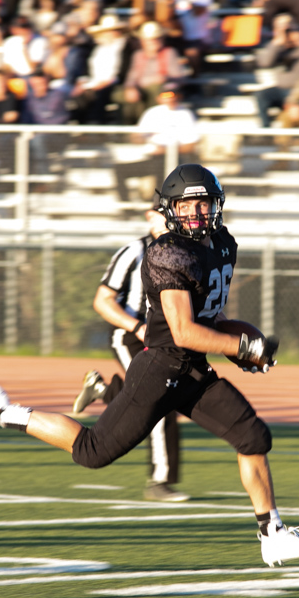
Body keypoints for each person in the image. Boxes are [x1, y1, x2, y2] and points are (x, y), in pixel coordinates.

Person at [0, 165, 299, 567]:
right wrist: (242, 345)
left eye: (203, 202)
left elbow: (210, 319)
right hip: (161, 367)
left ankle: (273, 534)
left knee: (252, 437)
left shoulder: (222, 243)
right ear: (170, 209)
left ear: (217, 204)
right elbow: (182, 332)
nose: (196, 212)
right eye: (187, 204)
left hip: (192, 369)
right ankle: (0, 410)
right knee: (92, 452)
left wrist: (247, 345)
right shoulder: (168, 253)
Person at [71, 206, 187, 502]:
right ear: (150, 215)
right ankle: (160, 482)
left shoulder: (186, 251)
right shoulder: (133, 252)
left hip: (167, 340)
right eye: (165, 212)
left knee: (153, 399)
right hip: (131, 336)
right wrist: (136, 326)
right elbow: (102, 301)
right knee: (161, 402)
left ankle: (105, 390)